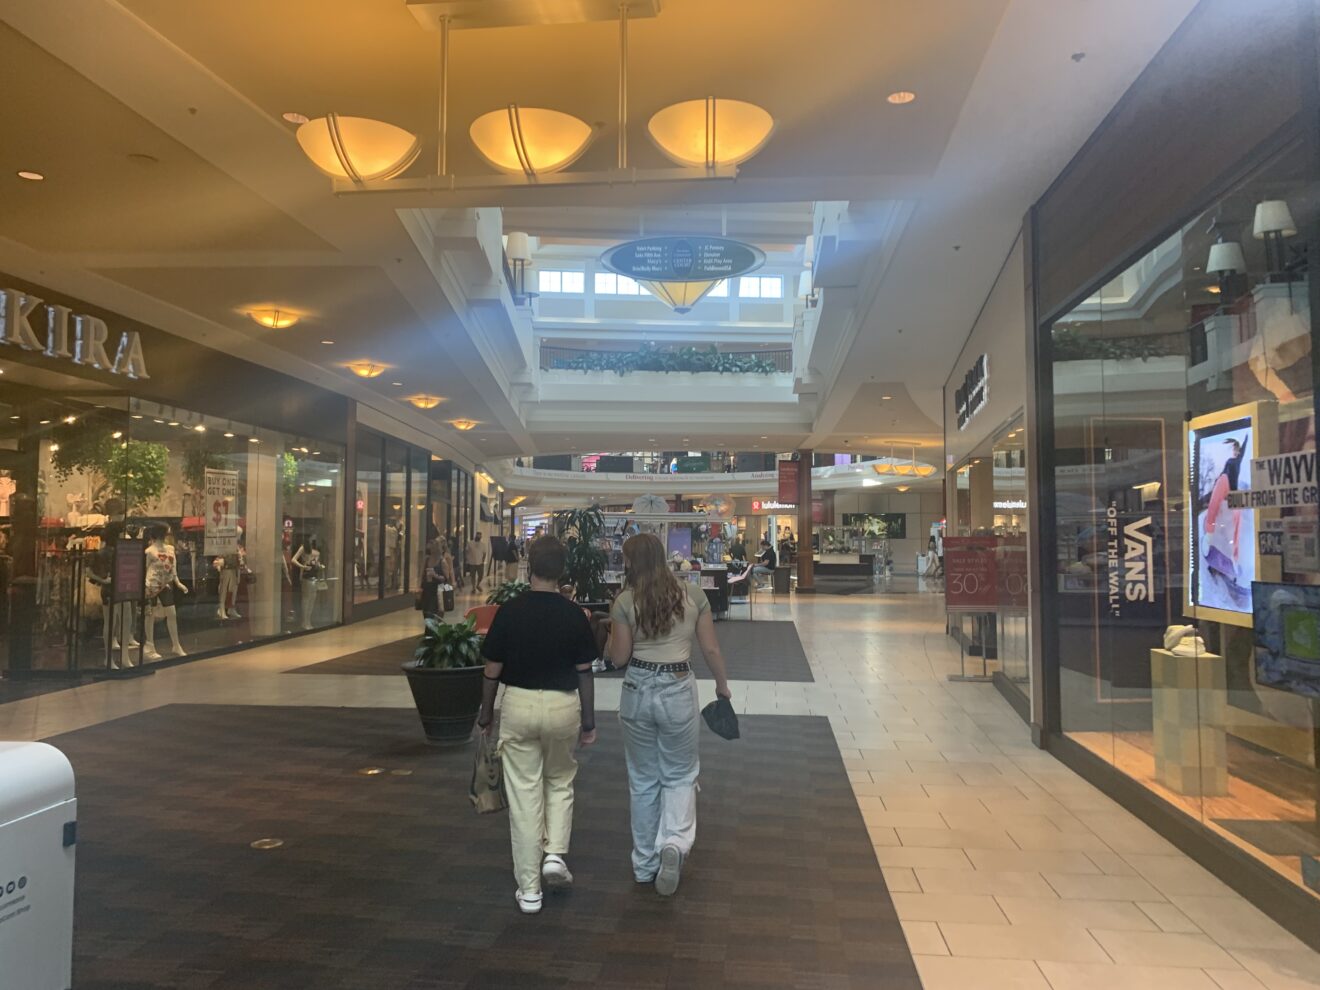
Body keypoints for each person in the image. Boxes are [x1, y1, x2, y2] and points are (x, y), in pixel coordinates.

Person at [605, 533, 732, 896]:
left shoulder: (625, 600)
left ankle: (645, 863)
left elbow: (618, 658)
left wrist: (609, 634)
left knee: (643, 778)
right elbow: (710, 648)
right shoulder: (692, 595)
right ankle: (673, 843)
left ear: (633, 562)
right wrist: (722, 686)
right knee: (679, 773)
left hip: (637, 688)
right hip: (677, 685)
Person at [477, 537, 598, 915]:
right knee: (560, 780)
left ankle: (529, 890)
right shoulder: (574, 615)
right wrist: (589, 722)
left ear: (529, 566)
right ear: (562, 571)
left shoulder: (509, 612)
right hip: (562, 706)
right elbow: (585, 672)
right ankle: (555, 855)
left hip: (519, 705)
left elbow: (492, 669)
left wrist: (486, 714)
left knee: (524, 795)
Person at [418, 539, 445, 616]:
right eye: (430, 548)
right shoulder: (426, 559)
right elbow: (421, 574)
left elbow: (445, 578)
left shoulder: (442, 561)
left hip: (437, 590)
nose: (431, 550)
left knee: (433, 611)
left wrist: (435, 575)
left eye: (433, 547)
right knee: (426, 611)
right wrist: (419, 587)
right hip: (426, 588)